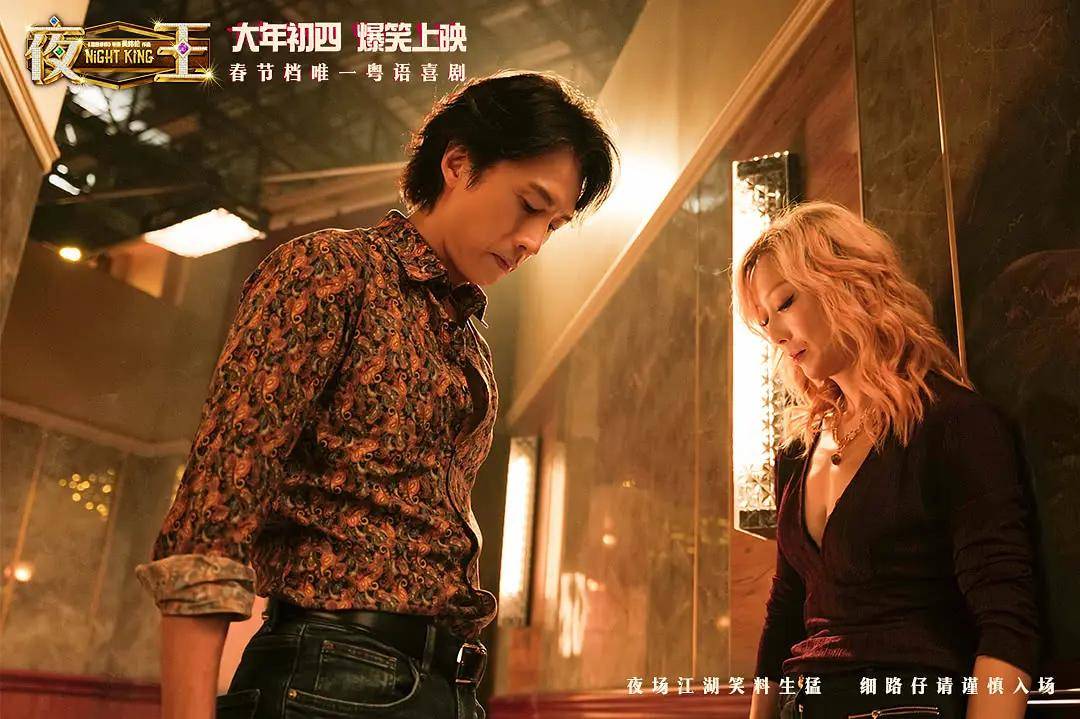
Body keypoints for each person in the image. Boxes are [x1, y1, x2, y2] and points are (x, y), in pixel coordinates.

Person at [134, 70, 617, 719]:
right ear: (457, 164)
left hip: (447, 684)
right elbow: (215, 506)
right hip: (330, 677)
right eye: (530, 204)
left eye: (554, 225)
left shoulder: (470, 342)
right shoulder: (332, 268)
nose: (533, 241)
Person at [737, 202, 1040, 719]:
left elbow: (1007, 615)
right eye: (764, 321)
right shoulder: (798, 451)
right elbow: (785, 609)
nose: (775, 335)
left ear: (846, 282)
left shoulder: (953, 423)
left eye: (785, 302)